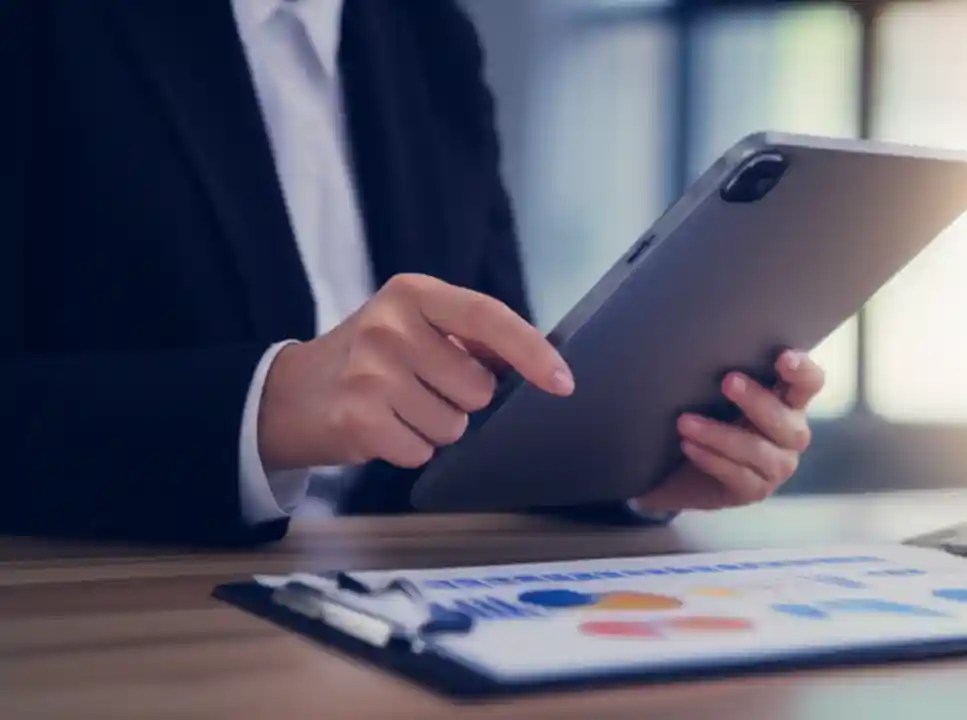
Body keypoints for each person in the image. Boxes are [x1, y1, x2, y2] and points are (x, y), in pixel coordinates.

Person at [0, 0, 826, 545]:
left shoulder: (428, 34)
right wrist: (263, 409)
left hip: (388, 617)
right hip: (124, 633)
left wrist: (635, 465)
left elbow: (490, 400)